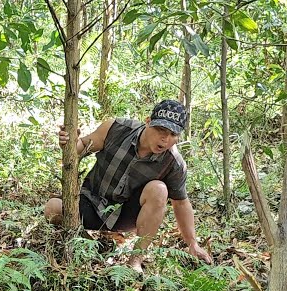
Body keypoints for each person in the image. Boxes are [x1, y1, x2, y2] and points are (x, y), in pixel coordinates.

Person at [43, 99, 213, 271]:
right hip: (91, 201)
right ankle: (90, 244)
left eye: (173, 134)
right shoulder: (117, 129)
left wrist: (192, 243)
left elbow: (181, 203)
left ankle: (135, 262)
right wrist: (69, 142)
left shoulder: (173, 163)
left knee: (159, 189)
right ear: (148, 122)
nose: (165, 139)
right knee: (52, 208)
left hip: (125, 214)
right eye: (161, 130)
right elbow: (81, 148)